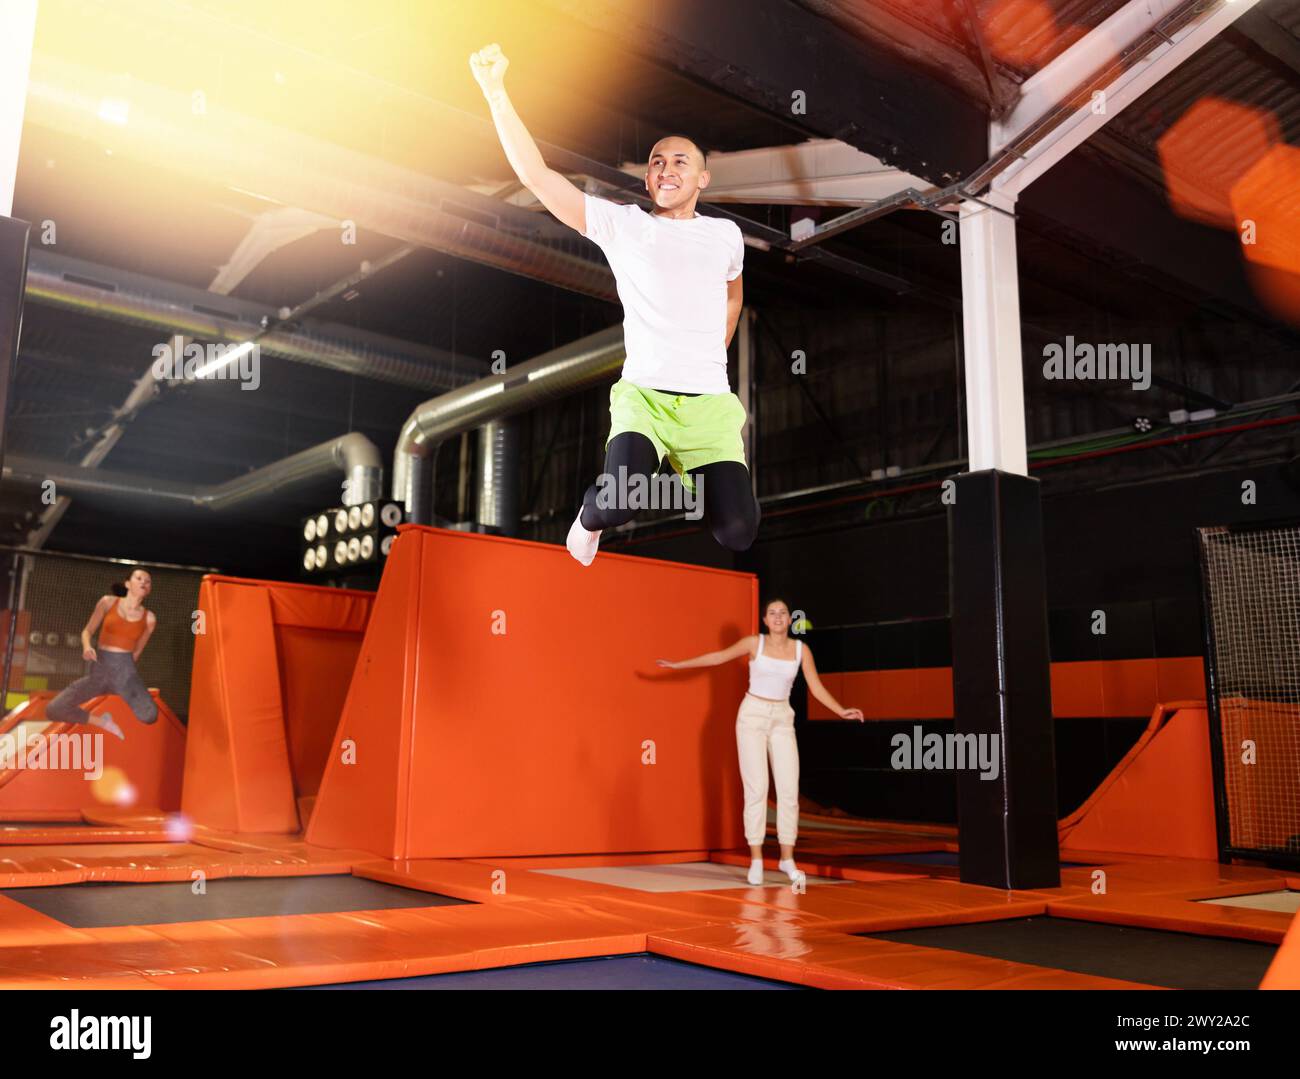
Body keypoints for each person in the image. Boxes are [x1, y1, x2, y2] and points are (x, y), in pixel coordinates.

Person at [470, 43, 760, 566]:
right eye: (656, 162)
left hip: (709, 408)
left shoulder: (726, 236)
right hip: (645, 400)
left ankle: (684, 477)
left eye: (680, 161)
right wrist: (496, 93)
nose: (666, 169)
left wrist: (713, 348)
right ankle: (586, 520)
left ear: (701, 178)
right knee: (622, 500)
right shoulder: (625, 225)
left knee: (737, 531)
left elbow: (734, 291)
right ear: (647, 179)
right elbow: (539, 178)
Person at [657, 598, 864, 885]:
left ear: (790, 619)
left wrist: (841, 710)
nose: (778, 617)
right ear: (765, 620)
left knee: (789, 791)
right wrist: (679, 665)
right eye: (772, 613)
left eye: (782, 613)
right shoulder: (755, 644)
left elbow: (816, 687)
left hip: (782, 718)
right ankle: (755, 859)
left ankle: (787, 859)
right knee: (757, 788)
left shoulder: (801, 650)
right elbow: (717, 657)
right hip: (752, 716)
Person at [45, 569, 159, 739]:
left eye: (148, 581)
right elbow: (87, 631)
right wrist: (86, 647)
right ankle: (103, 722)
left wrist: (128, 680)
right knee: (54, 709)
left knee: (150, 715)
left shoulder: (149, 618)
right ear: (128, 584)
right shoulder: (108, 602)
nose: (144, 582)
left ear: (149, 590)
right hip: (99, 669)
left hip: (125, 672)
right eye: (139, 578)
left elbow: (137, 652)